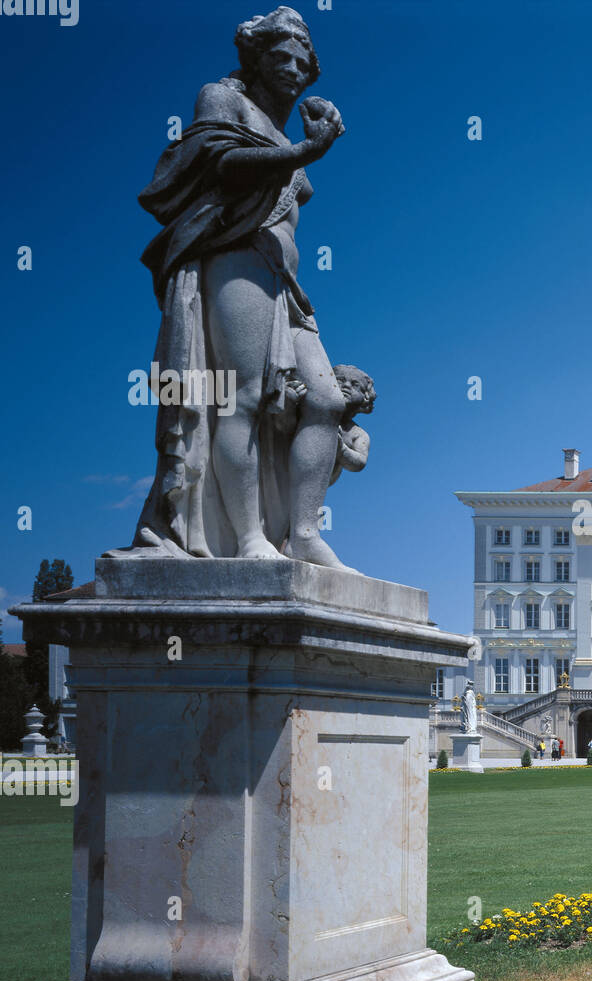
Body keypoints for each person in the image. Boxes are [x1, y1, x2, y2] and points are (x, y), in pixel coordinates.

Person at [110, 6, 355, 569]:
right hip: (234, 259)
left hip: (284, 279)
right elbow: (222, 164)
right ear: (256, 58)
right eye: (280, 57)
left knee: (325, 402)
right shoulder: (222, 99)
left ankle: (304, 533)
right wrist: (307, 152)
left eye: (302, 60)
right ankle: (249, 539)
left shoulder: (286, 128)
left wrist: (304, 146)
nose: (292, 68)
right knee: (237, 398)